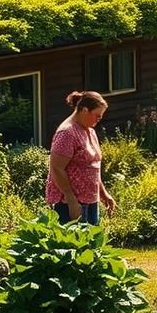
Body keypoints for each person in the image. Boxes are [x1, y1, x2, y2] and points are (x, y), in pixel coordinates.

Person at [45, 90, 116, 225]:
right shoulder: (67, 133)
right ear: (84, 110)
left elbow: (92, 166)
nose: (98, 120)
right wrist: (71, 200)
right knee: (73, 243)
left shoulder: (90, 131)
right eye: (97, 116)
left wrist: (103, 194)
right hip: (71, 203)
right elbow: (56, 168)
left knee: (91, 243)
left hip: (90, 200)